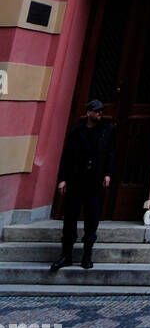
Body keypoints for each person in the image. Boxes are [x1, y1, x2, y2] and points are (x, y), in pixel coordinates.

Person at [49, 99, 115, 272]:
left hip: (94, 181)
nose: (100, 113)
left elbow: (110, 154)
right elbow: (67, 156)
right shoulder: (76, 131)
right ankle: (66, 255)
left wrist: (108, 173)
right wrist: (62, 178)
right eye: (97, 111)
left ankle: (87, 256)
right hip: (75, 180)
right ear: (88, 113)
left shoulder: (106, 131)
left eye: (101, 111)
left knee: (91, 219)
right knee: (70, 218)